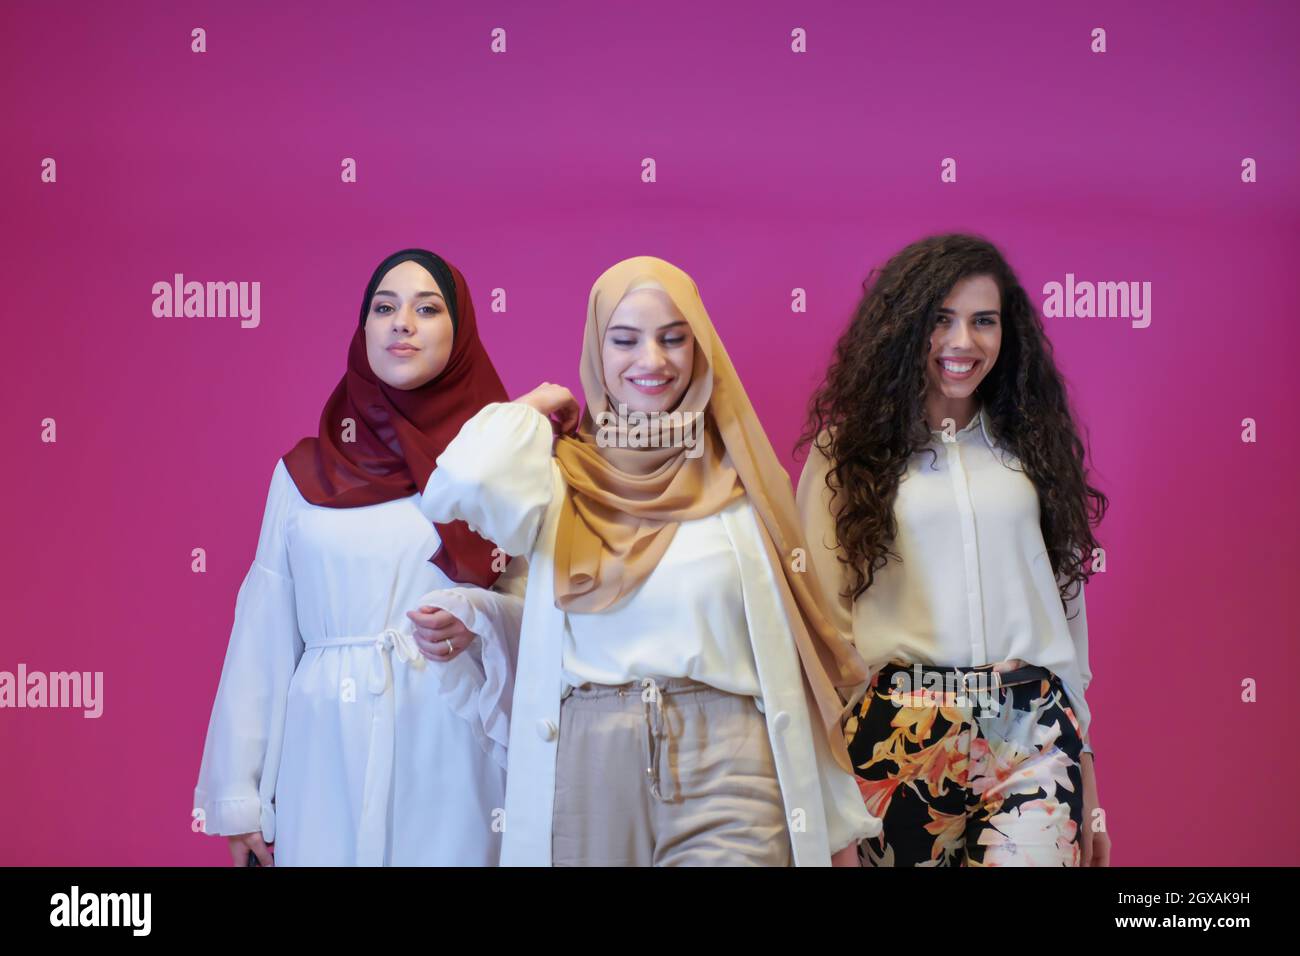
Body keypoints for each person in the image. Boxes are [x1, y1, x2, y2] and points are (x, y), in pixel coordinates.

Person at [421, 255, 879, 866]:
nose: (652, 361)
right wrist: (533, 406)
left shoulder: (742, 487)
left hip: (731, 757)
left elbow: (791, 663)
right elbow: (458, 483)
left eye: (673, 338)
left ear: (700, 349)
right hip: (588, 760)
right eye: (625, 339)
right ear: (596, 349)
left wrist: (832, 827)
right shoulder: (554, 481)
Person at [193, 249, 524, 866]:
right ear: (363, 329)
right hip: (324, 751)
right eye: (384, 307)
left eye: (427, 308)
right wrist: (240, 800)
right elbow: (264, 630)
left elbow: (543, 617)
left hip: (453, 741)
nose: (402, 323)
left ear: (460, 334)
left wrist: (476, 614)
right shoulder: (302, 475)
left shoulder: (500, 465)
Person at [797, 233, 1111, 866]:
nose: (963, 342)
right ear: (904, 328)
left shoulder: (1034, 451)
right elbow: (819, 638)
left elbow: (1065, 617)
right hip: (898, 729)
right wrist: (829, 814)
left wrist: (1090, 778)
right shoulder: (846, 455)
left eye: (983, 321)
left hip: (1032, 730)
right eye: (940, 320)